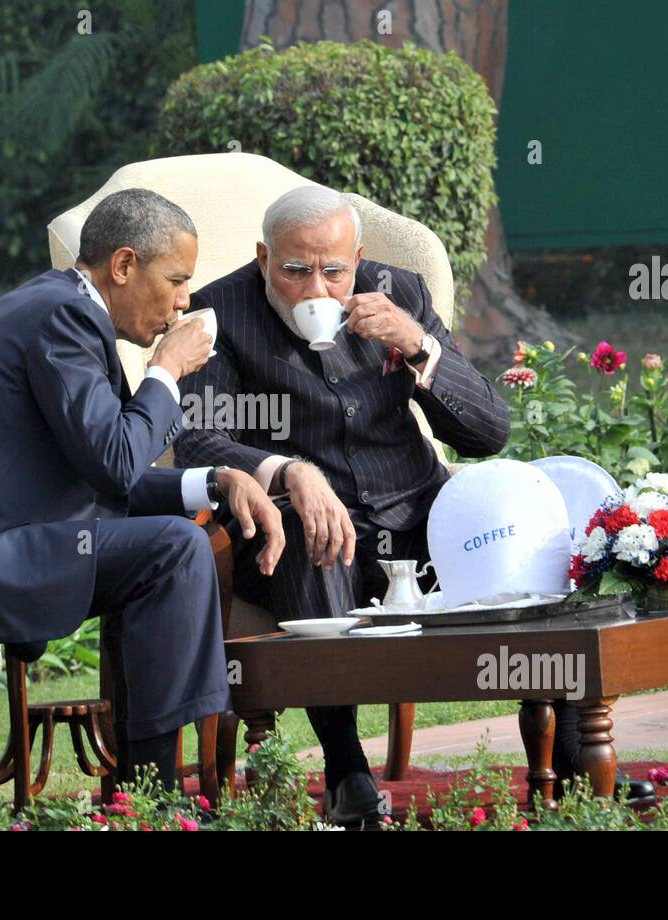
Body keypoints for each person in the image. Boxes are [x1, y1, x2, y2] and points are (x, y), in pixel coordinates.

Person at [0, 188, 285, 791]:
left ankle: (143, 789)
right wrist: (164, 370)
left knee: (162, 552)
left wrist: (214, 482)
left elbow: (108, 470)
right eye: (177, 279)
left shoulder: (60, 309)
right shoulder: (62, 316)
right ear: (123, 266)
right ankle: (153, 795)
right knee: (173, 551)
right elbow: (115, 463)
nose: (185, 300)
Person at [173, 185, 514, 824]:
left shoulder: (401, 293)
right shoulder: (218, 312)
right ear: (263, 257)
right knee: (313, 533)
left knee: (506, 522)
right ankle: (346, 771)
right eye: (295, 270)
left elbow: (488, 434)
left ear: (358, 257)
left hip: (416, 518)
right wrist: (285, 470)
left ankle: (569, 743)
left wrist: (418, 346)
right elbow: (194, 440)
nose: (317, 291)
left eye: (334, 270)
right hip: (291, 535)